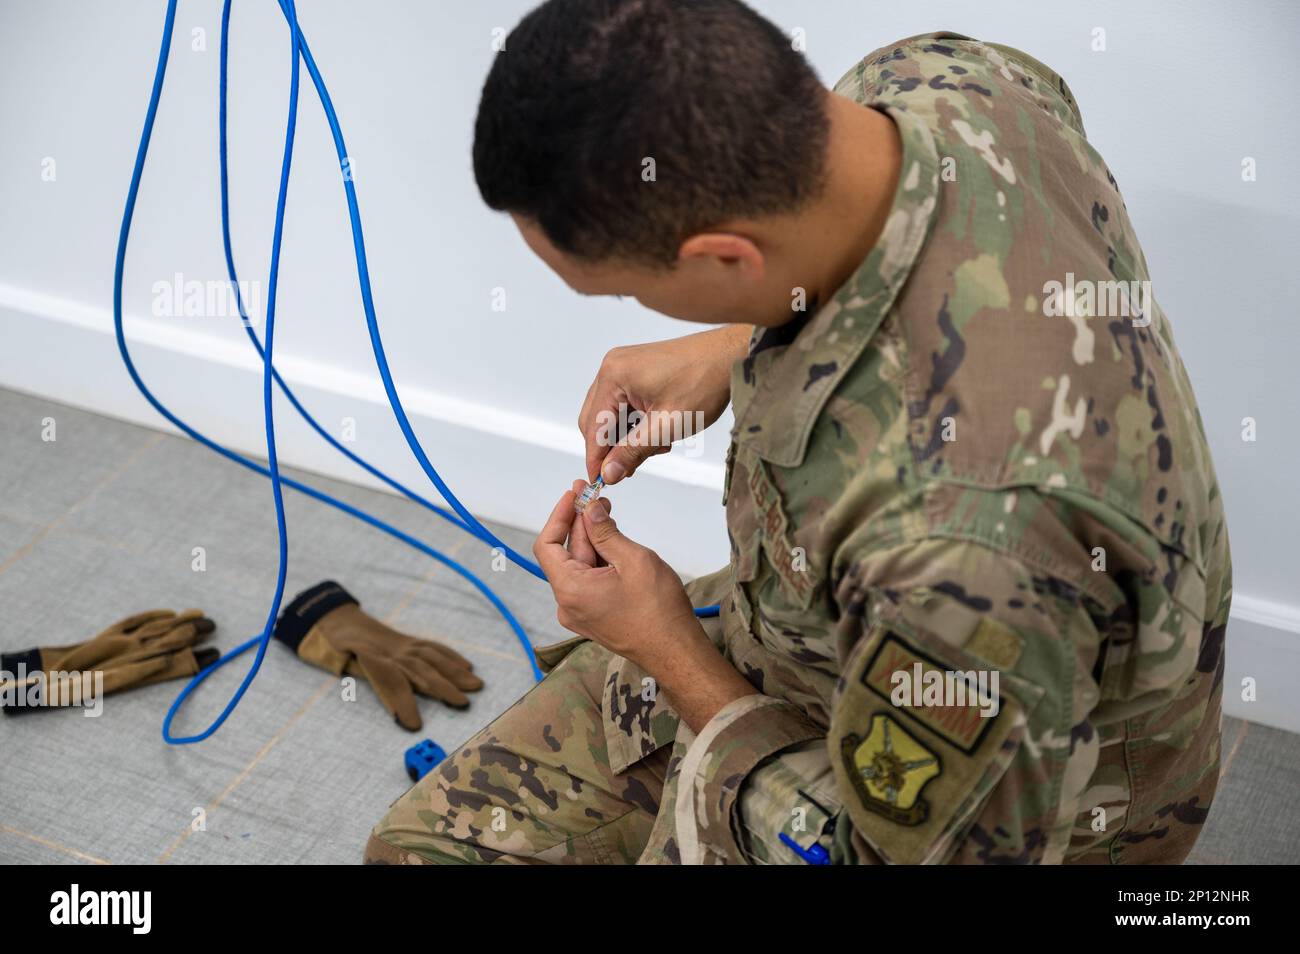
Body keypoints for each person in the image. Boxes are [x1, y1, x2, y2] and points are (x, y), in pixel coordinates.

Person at [365, 0, 1230, 864]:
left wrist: (663, 646)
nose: (639, 315)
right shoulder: (943, 79)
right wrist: (739, 336)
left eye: (626, 289)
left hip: (976, 810)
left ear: (730, 255)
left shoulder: (965, 550)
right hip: (806, 636)